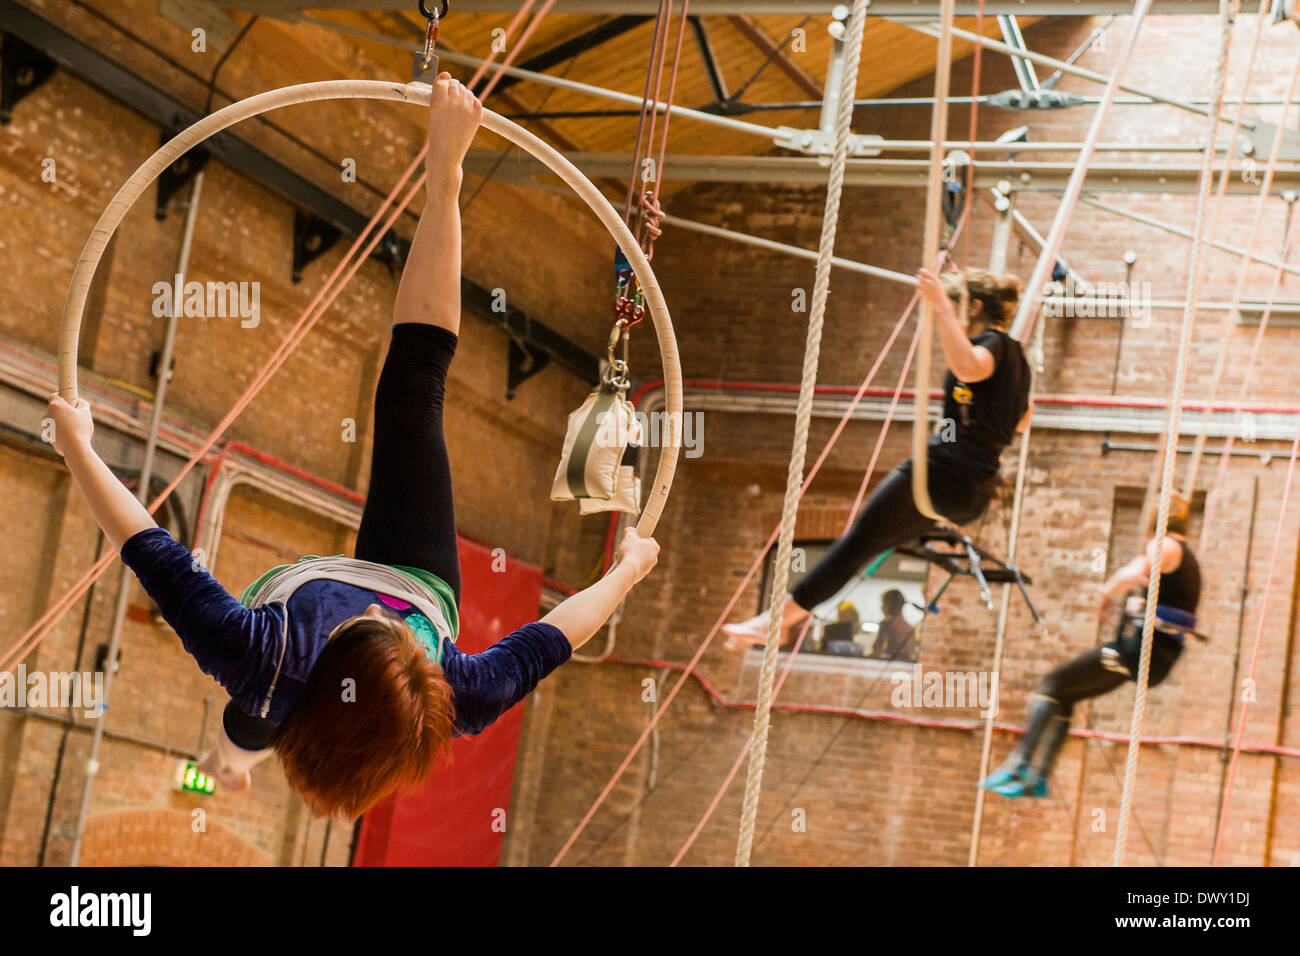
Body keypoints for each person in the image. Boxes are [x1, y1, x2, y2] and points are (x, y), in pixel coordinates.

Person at [45, 74, 660, 820]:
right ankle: (445, 186)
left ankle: (229, 766)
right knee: (413, 397)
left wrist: (77, 442)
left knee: (249, 727)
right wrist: (627, 571)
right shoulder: (460, 690)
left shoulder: (262, 656)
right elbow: (560, 631)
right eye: (407, 637)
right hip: (415, 573)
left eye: (379, 628)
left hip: (278, 694)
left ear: (324, 657)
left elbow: (147, 545)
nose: (388, 618)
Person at [723, 267, 1032, 649]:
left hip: (946, 472)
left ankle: (774, 622)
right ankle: (778, 621)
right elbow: (1022, 421)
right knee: (864, 547)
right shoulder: (1020, 363)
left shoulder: (995, 344)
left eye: (958, 309)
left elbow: (967, 366)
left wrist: (941, 308)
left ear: (975, 308)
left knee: (857, 544)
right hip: (973, 490)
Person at [982, 495, 1201, 798]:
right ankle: (1039, 778)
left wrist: (1107, 593)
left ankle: (1019, 763)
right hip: (1149, 660)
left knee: (1050, 683)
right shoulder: (1189, 561)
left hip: (1134, 653)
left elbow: (1135, 571)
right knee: (1065, 694)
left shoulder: (1164, 545)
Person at [872, 588, 917, 662]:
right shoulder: (909, 627)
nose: (881, 607)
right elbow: (911, 652)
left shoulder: (886, 623)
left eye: (883, 603)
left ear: (889, 605)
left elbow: (877, 650)